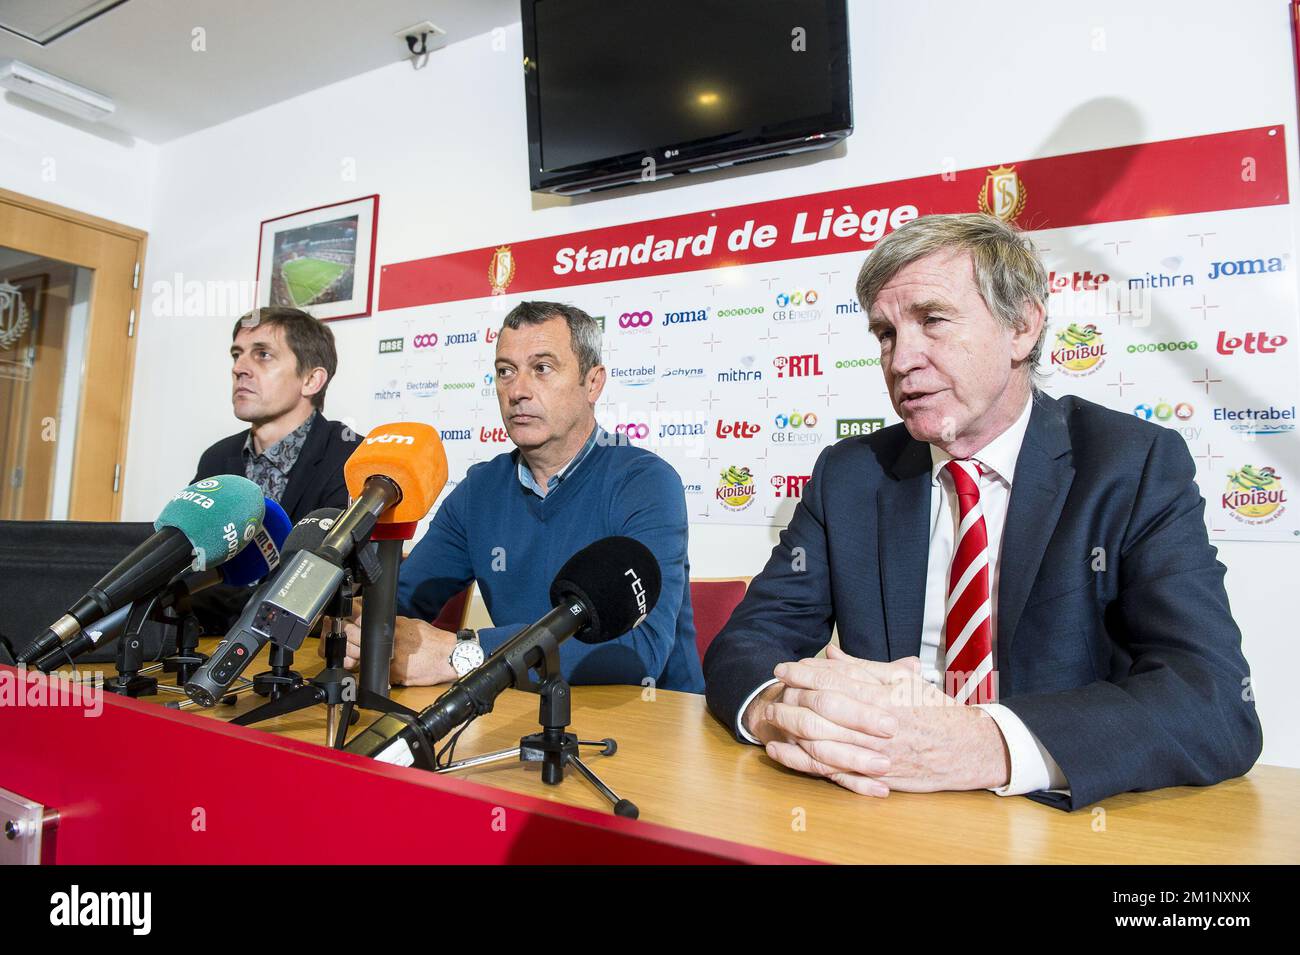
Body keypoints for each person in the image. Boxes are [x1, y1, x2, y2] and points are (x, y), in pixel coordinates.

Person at [703, 212, 1261, 810]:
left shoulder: (1131, 463)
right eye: (885, 334)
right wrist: (782, 712)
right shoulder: (851, 473)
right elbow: (752, 639)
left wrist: (983, 744)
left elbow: (1213, 698)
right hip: (875, 805)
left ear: (1021, 327)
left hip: (1053, 824)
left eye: (933, 321)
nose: (900, 360)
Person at [332, 301, 703, 693]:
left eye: (542, 368)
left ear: (592, 383)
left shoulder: (645, 482)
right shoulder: (481, 489)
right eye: (505, 372)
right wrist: (357, 621)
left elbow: (639, 650)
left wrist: (461, 654)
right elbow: (400, 601)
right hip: (521, 712)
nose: (518, 391)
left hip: (649, 722)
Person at [192, 306, 361, 631]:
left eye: (263, 355)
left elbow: (319, 591)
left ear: (311, 379)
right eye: (237, 355)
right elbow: (189, 568)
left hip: (297, 659)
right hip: (207, 644)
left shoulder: (351, 457)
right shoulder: (217, 458)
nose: (240, 368)